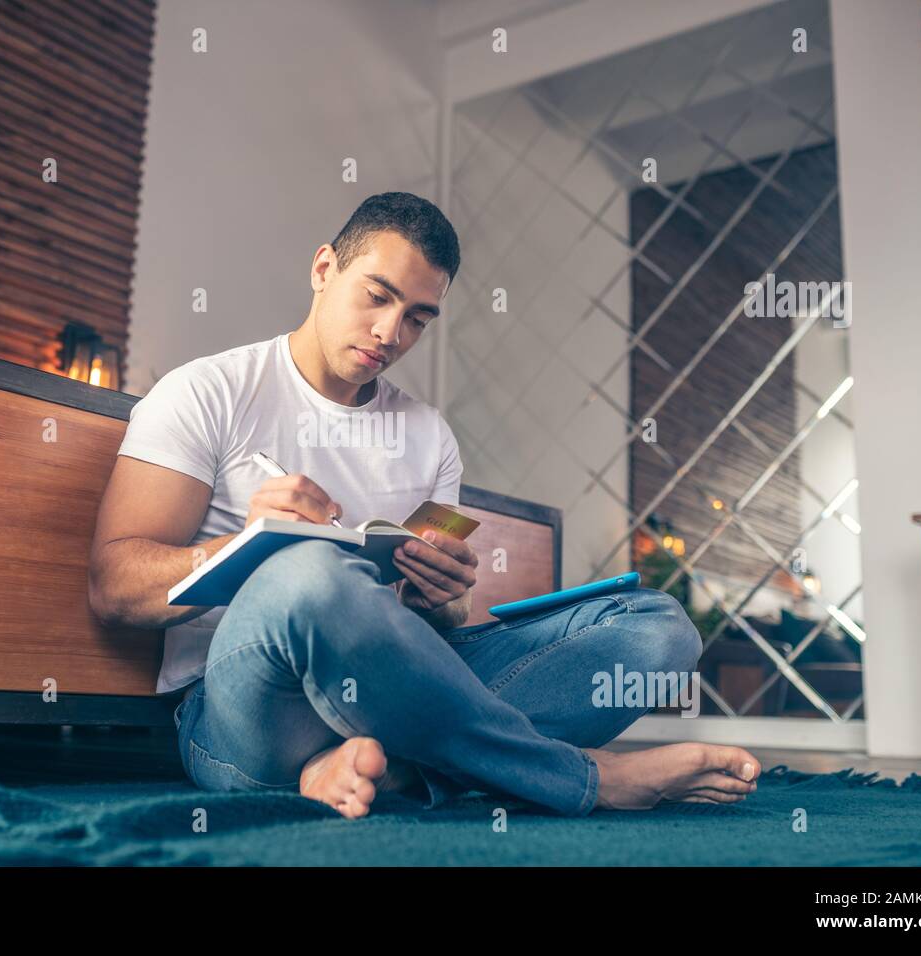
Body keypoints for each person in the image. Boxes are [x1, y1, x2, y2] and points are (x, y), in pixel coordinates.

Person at [88, 191, 760, 818]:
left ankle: (383, 769)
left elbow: (437, 626)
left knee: (658, 628)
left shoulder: (429, 434)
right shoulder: (206, 392)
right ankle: (583, 778)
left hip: (393, 700)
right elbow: (114, 588)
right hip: (244, 708)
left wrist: (439, 597)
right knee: (314, 573)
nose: (390, 333)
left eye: (417, 317)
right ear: (325, 268)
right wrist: (248, 548)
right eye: (376, 298)